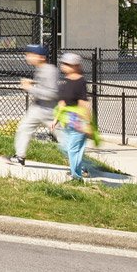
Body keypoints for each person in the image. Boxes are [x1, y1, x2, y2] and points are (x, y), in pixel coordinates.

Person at [8, 44, 61, 168]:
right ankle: (19, 157)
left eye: (31, 54)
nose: (28, 57)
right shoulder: (41, 69)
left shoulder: (50, 70)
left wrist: (31, 88)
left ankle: (81, 165)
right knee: (24, 128)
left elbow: (52, 93)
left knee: (63, 137)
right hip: (38, 108)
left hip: (50, 110)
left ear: (42, 57)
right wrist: (34, 84)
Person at [53, 49, 95, 184]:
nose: (63, 66)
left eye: (67, 64)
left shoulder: (80, 82)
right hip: (67, 120)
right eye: (63, 63)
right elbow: (62, 102)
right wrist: (56, 118)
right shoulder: (66, 81)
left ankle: (76, 177)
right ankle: (83, 167)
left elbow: (84, 103)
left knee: (72, 149)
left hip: (78, 120)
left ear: (76, 66)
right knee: (65, 147)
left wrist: (88, 123)